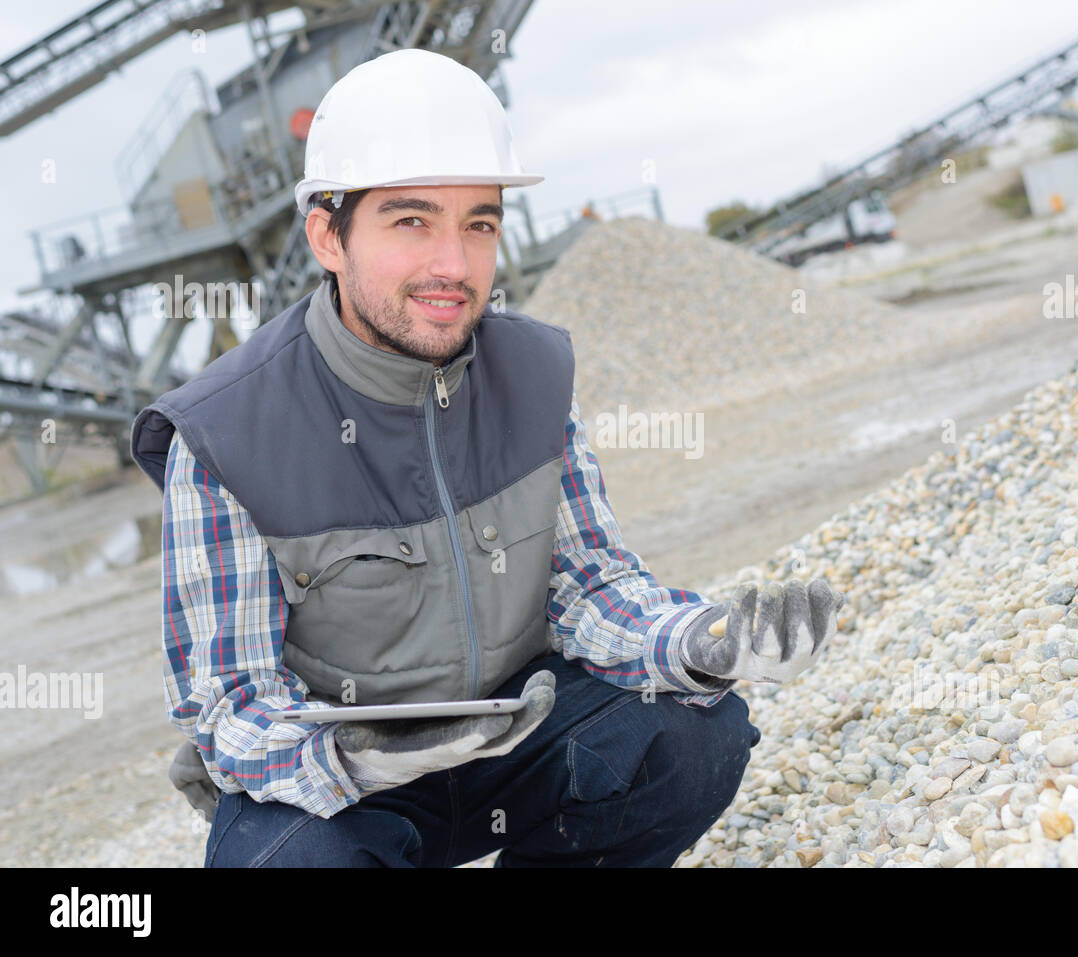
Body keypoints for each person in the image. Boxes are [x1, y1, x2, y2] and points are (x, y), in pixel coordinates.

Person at [131, 49, 846, 868]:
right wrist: (360, 755)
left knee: (693, 734)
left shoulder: (533, 377)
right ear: (328, 234)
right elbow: (229, 704)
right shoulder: (225, 434)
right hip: (342, 788)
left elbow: (592, 587)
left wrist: (699, 643)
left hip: (520, 736)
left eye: (479, 223)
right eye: (412, 221)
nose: (453, 264)